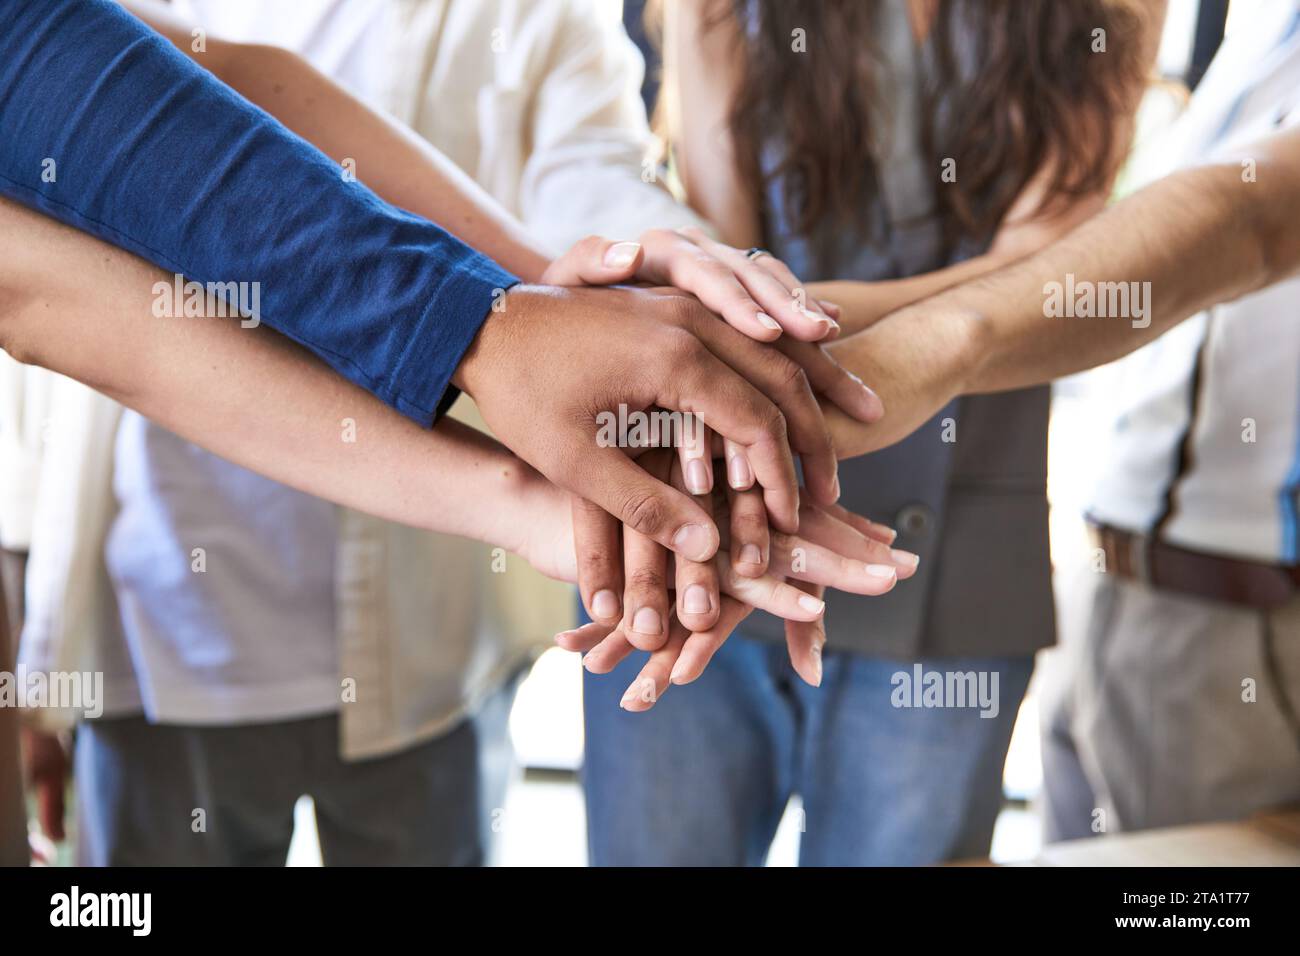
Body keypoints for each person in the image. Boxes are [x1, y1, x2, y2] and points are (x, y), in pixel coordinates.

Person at [575, 0, 1164, 866]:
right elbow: (716, 242)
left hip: (955, 548)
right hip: (711, 504)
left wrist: (765, 319)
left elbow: (1050, 271)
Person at [0, 0, 867, 571]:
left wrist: (598, 283)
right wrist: (493, 327)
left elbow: (195, 75)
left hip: (429, 605)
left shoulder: (543, 17)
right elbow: (40, 287)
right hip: (175, 567)